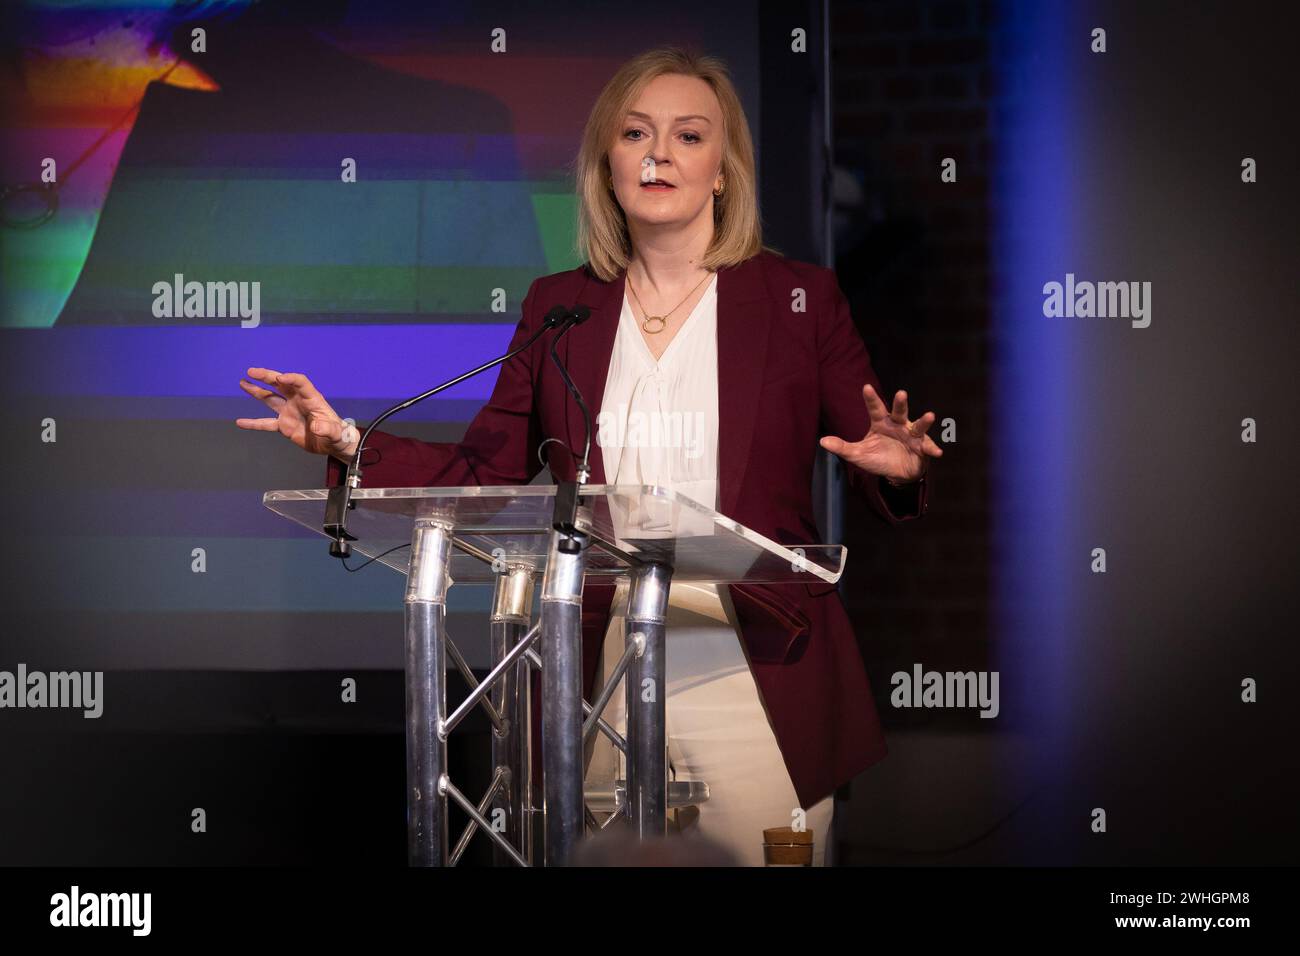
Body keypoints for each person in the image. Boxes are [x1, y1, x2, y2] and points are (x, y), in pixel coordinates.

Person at [236, 46, 942, 866]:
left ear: (723, 171)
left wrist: (902, 467)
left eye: (687, 136)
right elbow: (488, 473)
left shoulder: (799, 301)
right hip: (604, 668)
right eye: (636, 133)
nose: (658, 154)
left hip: (758, 670)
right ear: (608, 166)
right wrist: (350, 442)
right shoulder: (560, 307)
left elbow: (873, 445)